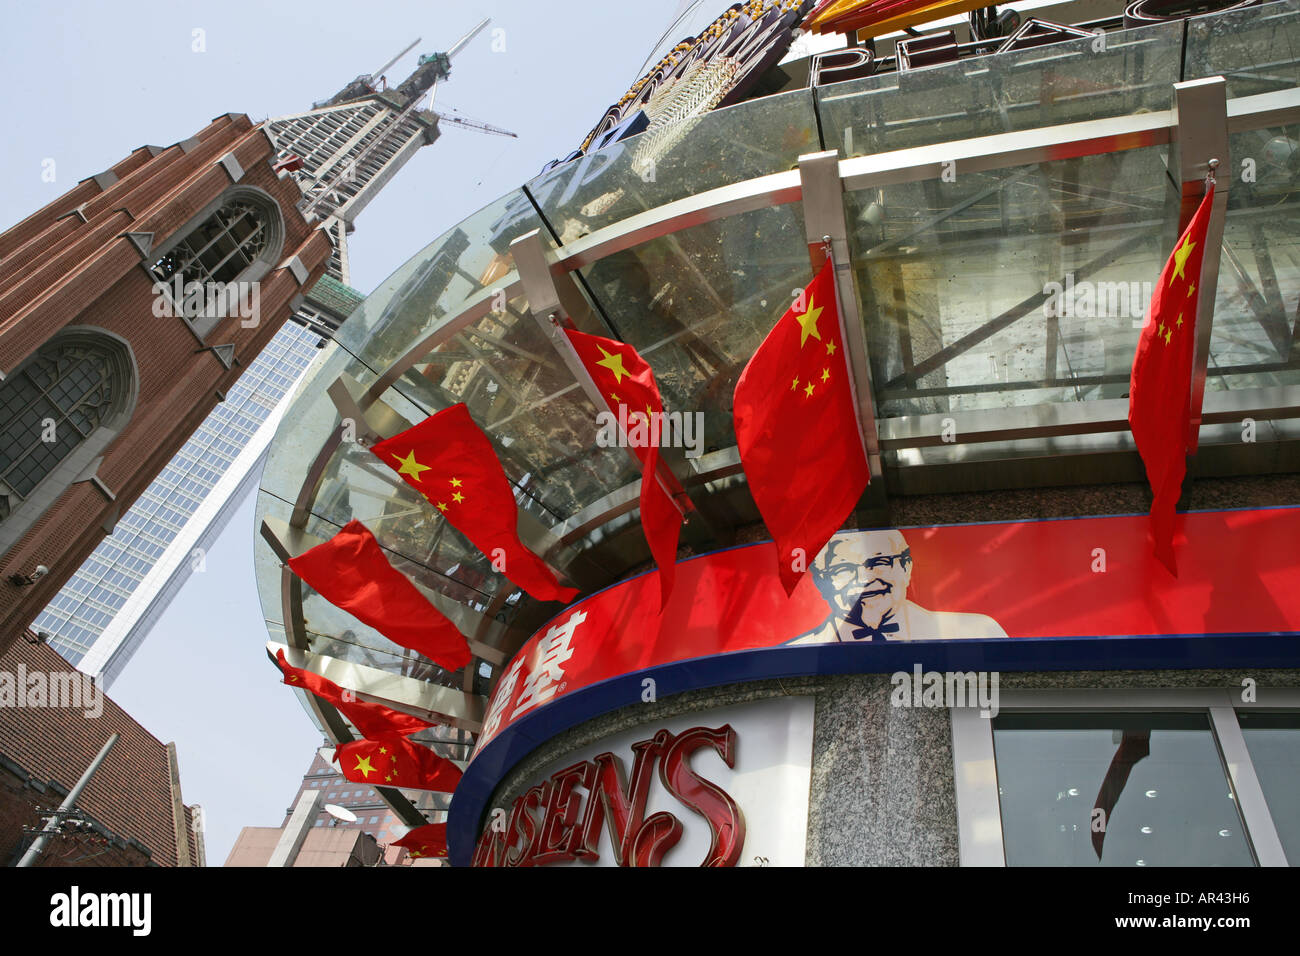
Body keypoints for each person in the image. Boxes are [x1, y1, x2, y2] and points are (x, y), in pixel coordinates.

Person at [787, 529, 1007, 644]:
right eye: (843, 569)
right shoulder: (794, 654)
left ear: (906, 568)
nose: (865, 579)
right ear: (821, 583)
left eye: (879, 563)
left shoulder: (975, 632)